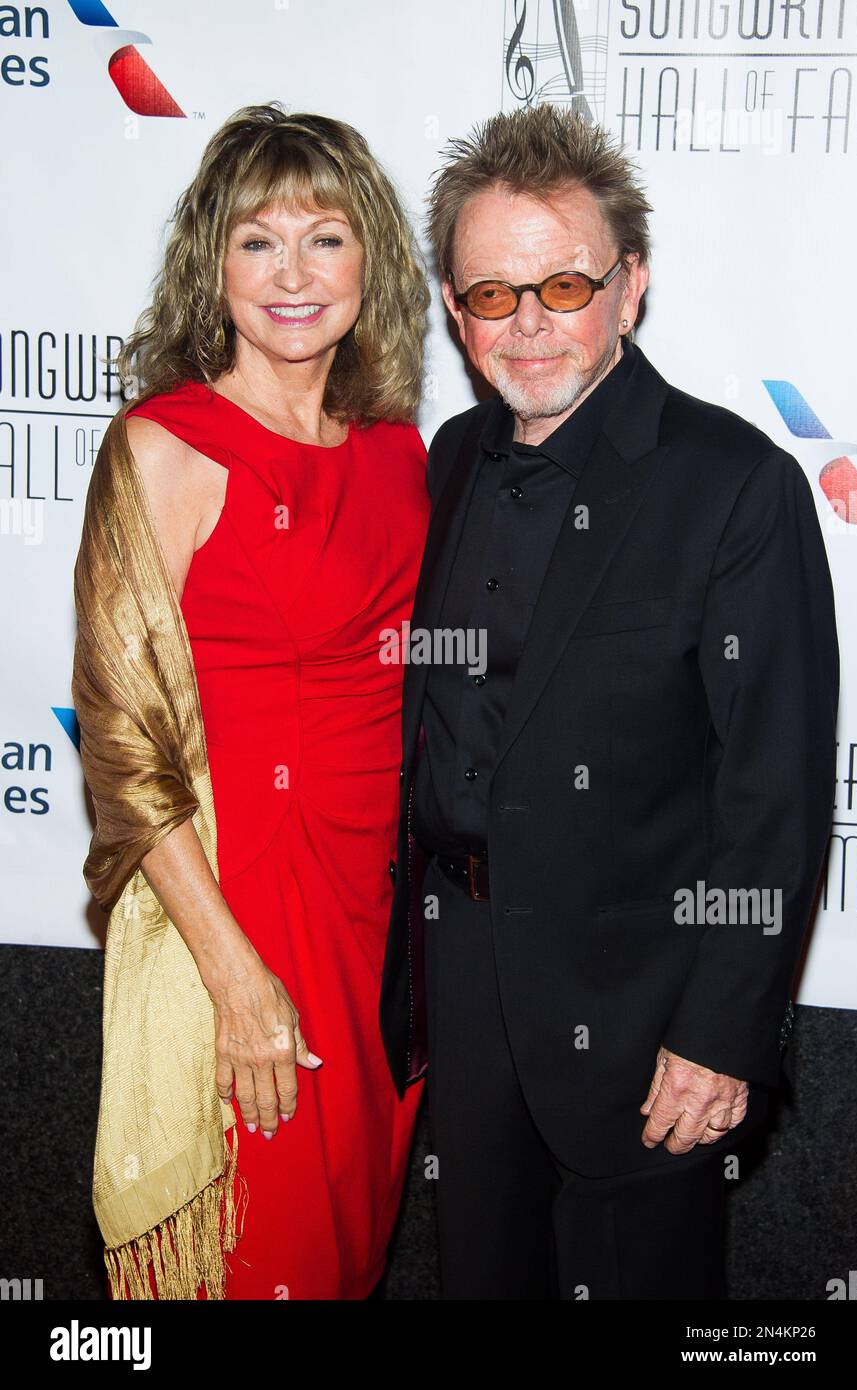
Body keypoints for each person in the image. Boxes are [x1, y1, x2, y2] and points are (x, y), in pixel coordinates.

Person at [379, 104, 839, 1299]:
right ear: (450, 304)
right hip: (468, 987)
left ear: (629, 287)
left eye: (565, 284)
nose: (527, 324)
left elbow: (772, 796)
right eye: (491, 293)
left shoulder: (735, 485)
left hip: (646, 1011)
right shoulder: (448, 462)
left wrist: (722, 1033)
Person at [73, 102, 430, 1300]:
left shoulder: (396, 451)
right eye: (256, 241)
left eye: (324, 238)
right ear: (209, 265)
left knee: (348, 1248)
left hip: (381, 925)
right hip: (242, 911)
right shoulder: (163, 449)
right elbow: (124, 751)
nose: (292, 274)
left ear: (368, 258)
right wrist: (233, 975)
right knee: (259, 1258)